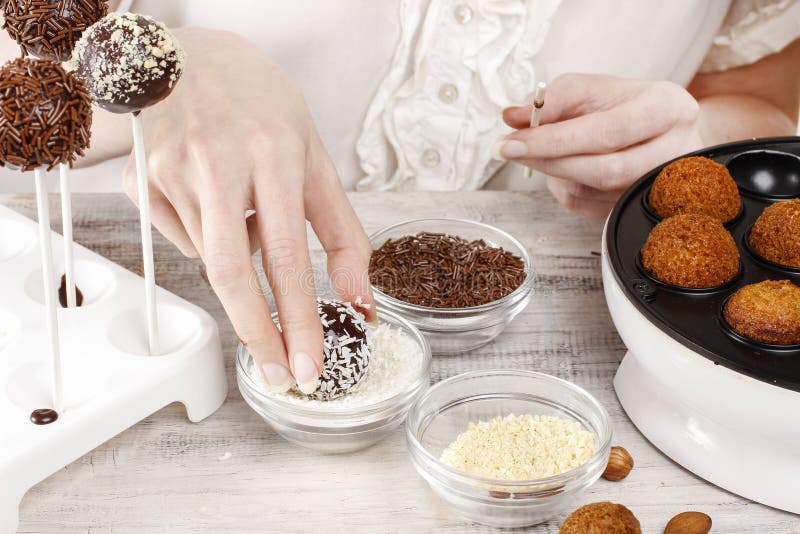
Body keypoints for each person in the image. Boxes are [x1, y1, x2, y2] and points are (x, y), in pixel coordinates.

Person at [2, 0, 798, 394]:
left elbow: (765, 91)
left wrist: (686, 148)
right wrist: (167, 70)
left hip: (576, 330)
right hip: (102, 296)